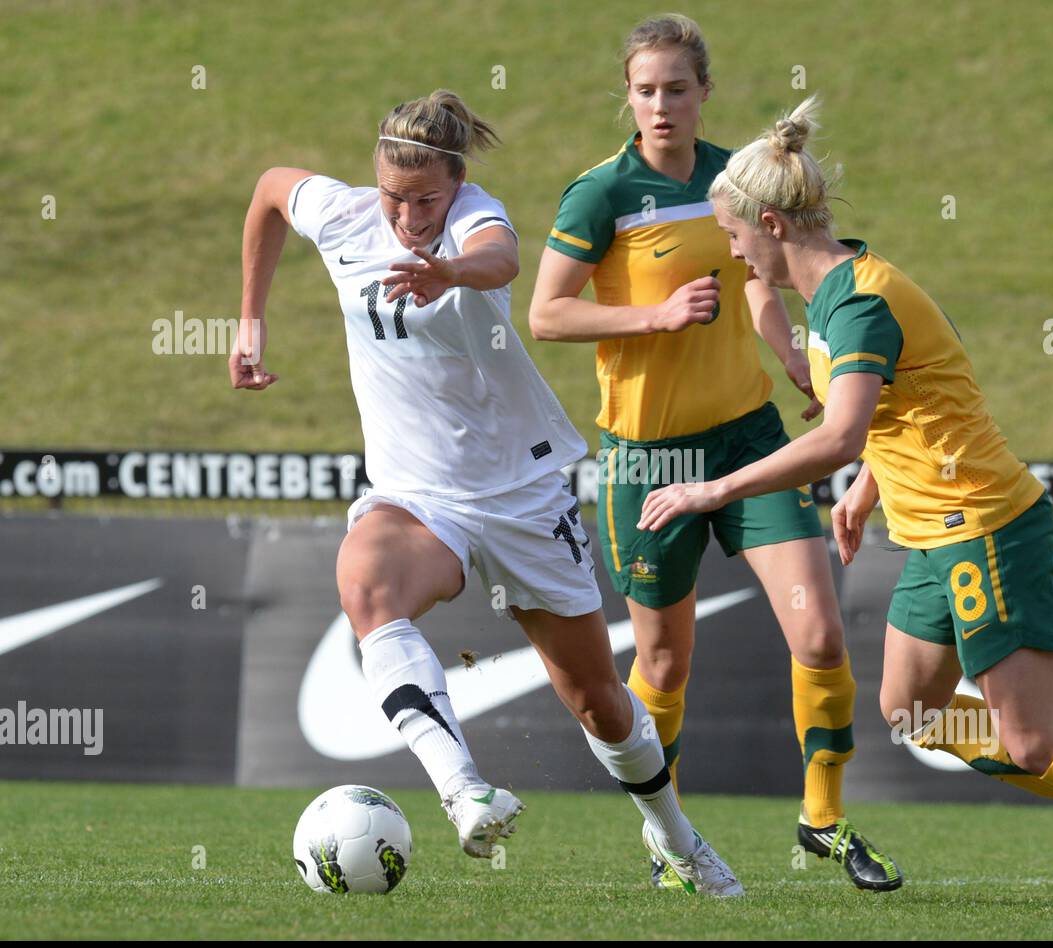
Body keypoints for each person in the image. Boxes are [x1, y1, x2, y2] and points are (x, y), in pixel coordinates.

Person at [637, 95, 1053, 917]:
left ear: (773, 227)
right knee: (914, 712)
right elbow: (908, 408)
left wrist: (712, 488)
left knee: (1037, 738)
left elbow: (838, 434)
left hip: (986, 526)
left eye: (733, 232)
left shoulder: (859, 301)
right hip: (929, 533)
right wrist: (866, 490)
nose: (732, 248)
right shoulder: (834, 295)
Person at [231, 88, 741, 895]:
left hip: (521, 491)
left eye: (425, 198)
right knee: (365, 584)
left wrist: (450, 272)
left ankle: (677, 838)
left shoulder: (475, 216)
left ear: (456, 182)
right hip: (417, 492)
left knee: (599, 702)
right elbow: (267, 191)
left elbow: (502, 258)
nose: (406, 216)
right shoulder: (344, 214)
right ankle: (464, 790)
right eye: (394, 197)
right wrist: (250, 322)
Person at [529, 14, 901, 892]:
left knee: (817, 631)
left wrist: (795, 361)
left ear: (704, 94)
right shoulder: (600, 194)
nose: (661, 105)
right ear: (628, 96)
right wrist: (651, 318)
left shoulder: (735, 180)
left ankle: (826, 819)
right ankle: (673, 844)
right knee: (661, 663)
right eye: (646, 89)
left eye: (677, 88)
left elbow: (758, 282)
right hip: (645, 460)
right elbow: (545, 315)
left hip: (749, 437)